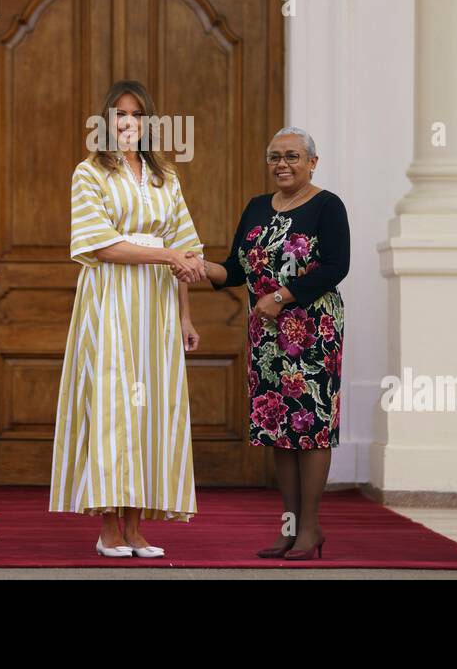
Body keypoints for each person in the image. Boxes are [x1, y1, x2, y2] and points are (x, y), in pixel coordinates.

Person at [48, 79, 206, 558]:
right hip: (111, 301)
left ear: (149, 123)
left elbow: (188, 250)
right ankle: (107, 529)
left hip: (157, 307)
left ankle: (136, 529)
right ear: (105, 122)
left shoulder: (166, 178)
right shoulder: (89, 173)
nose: (127, 123)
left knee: (151, 408)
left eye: (136, 115)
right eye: (118, 115)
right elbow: (102, 245)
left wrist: (185, 317)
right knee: (114, 405)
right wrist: (168, 257)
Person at [197, 127, 349, 560]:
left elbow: (337, 265)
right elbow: (235, 269)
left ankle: (311, 528)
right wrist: (197, 265)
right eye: (275, 157)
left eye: (293, 156)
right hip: (266, 334)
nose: (282, 164)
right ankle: (289, 527)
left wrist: (282, 297)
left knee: (310, 427)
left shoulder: (327, 206)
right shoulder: (257, 208)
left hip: (313, 331)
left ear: (312, 162)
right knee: (279, 426)